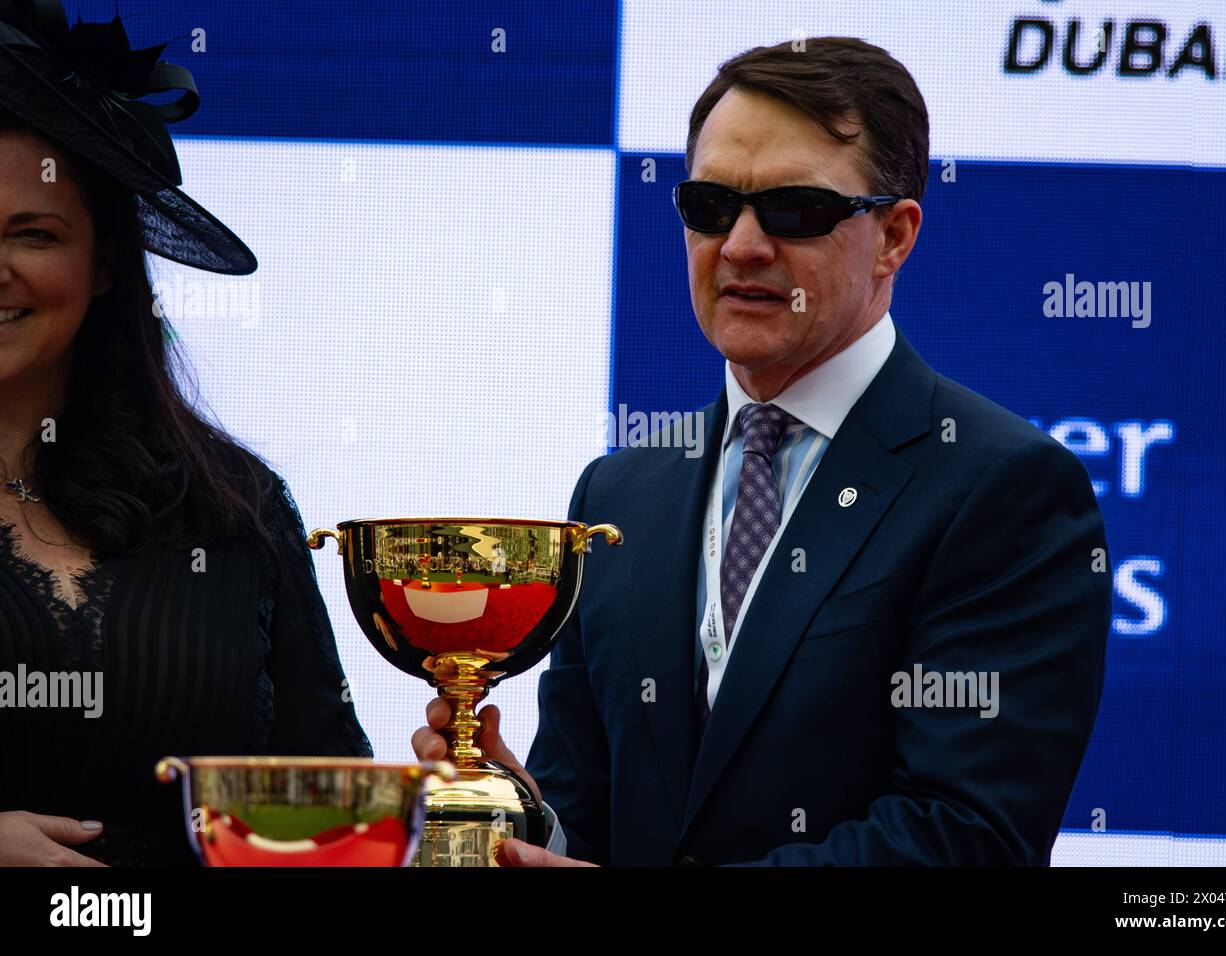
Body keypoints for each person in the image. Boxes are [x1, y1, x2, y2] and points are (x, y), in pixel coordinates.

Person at [413, 37, 1110, 866]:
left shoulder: (1004, 488)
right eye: (711, 206)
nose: (741, 245)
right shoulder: (619, 492)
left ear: (894, 236)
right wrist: (520, 822)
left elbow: (962, 838)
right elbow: (597, 820)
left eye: (795, 210)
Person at [0, 0, 370, 867]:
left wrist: (484, 802)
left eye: (36, 233)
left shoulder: (234, 505)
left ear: (104, 266)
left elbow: (328, 801)